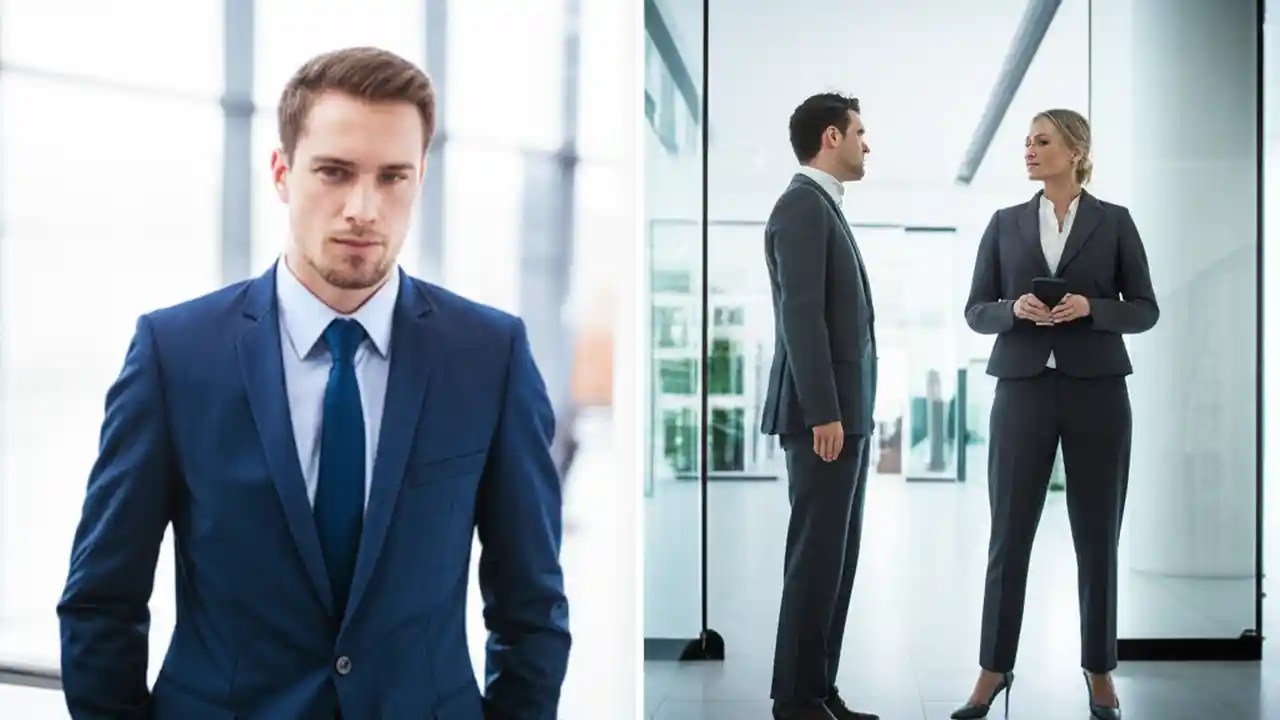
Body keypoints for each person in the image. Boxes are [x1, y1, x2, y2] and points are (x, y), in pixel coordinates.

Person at [56, 47, 570, 719]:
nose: (364, 208)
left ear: (420, 178)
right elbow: (102, 600)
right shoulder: (174, 355)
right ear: (282, 172)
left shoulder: (490, 357)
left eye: (393, 177)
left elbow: (531, 609)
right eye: (335, 172)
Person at [953, 108, 1158, 720]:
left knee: (1097, 537)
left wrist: (1091, 308)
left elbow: (1144, 308)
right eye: (1027, 142)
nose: (1029, 150)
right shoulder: (1004, 222)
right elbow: (976, 310)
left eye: (1042, 141)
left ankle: (1100, 671)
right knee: (1008, 536)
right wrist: (1013, 310)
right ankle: (993, 669)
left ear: (1075, 151)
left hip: (1099, 393)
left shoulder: (1114, 222)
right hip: (1022, 390)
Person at [759, 92, 879, 720]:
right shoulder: (802, 206)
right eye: (859, 132)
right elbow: (800, 317)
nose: (866, 144)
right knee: (816, 559)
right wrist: (824, 413)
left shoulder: (823, 206)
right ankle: (797, 699)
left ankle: (820, 689)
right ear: (832, 136)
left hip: (843, 416)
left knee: (837, 559)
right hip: (824, 420)